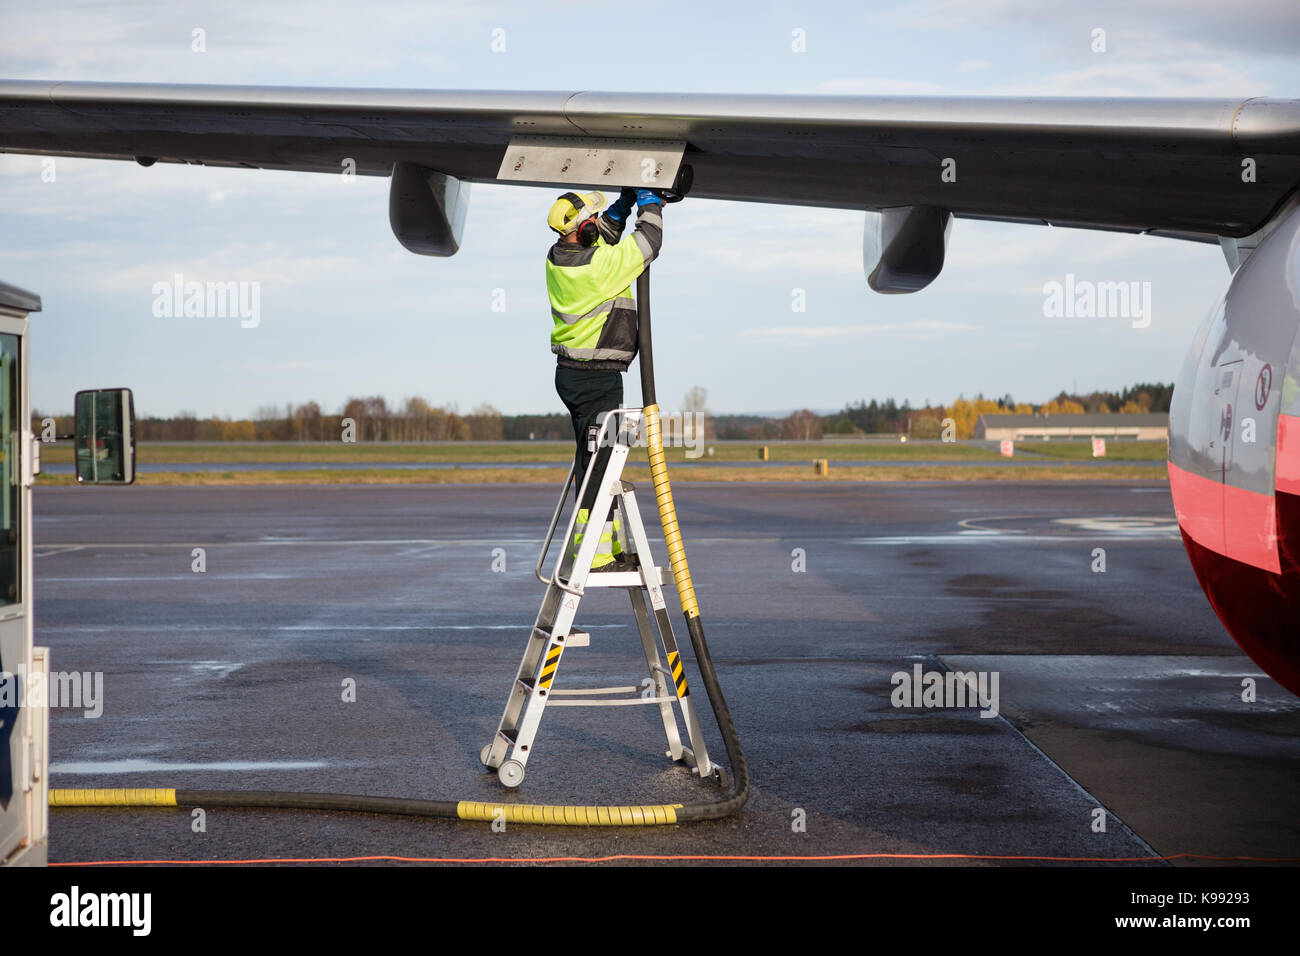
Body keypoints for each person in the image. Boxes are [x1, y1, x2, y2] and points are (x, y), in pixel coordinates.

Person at [545, 185, 664, 569]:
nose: (598, 224)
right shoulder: (599, 269)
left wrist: (624, 203)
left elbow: (604, 236)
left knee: (596, 461)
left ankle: (607, 546)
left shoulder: (560, 257)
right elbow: (649, 242)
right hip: (595, 379)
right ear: (583, 229)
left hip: (574, 375)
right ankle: (594, 556)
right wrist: (650, 202)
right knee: (600, 467)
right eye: (593, 220)